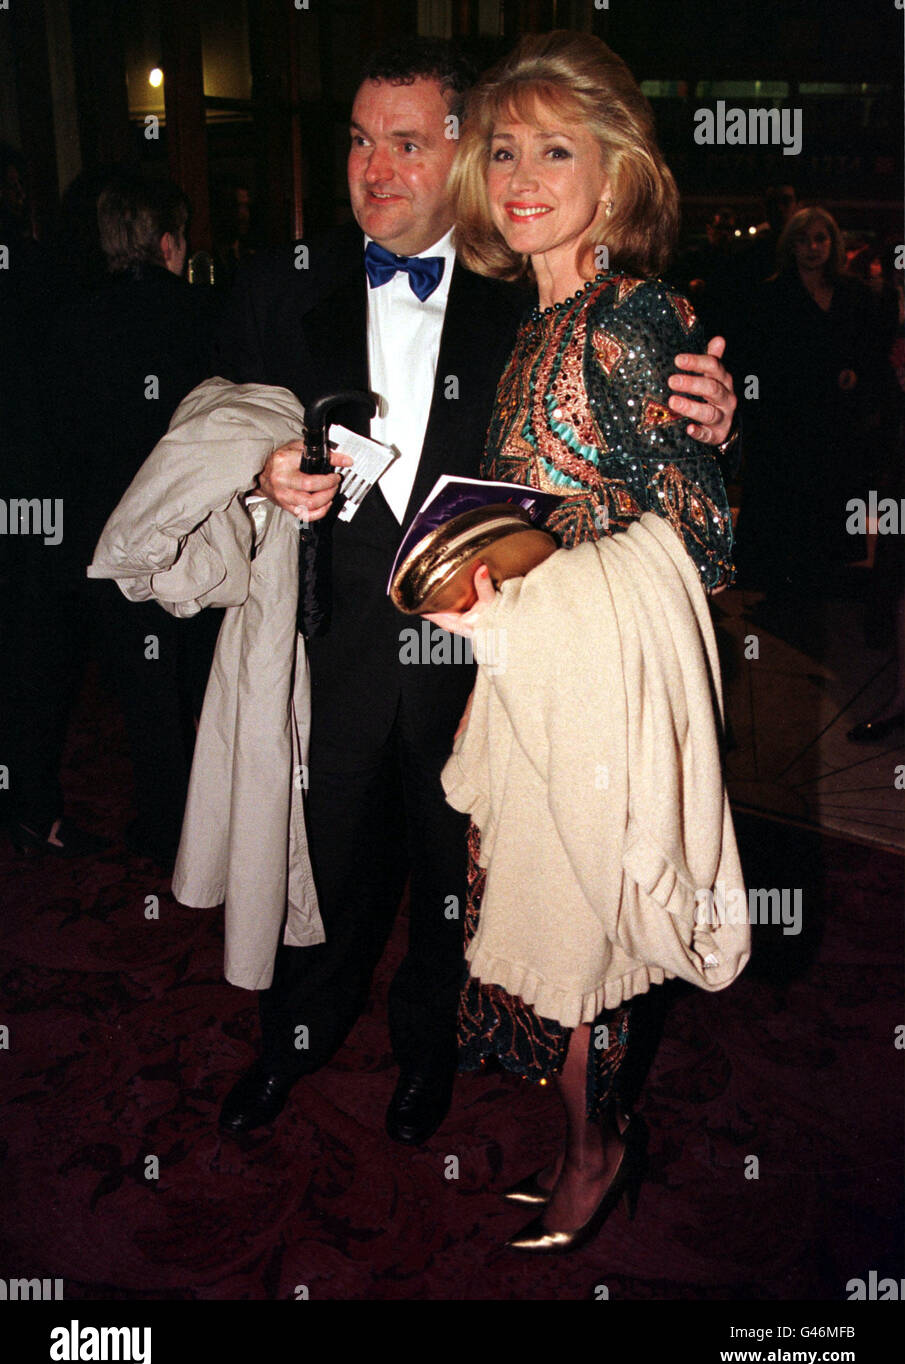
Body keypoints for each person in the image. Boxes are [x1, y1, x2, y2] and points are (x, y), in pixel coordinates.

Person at [188, 38, 739, 1147]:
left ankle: (424, 1056)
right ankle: (290, 1042)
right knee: (319, 865)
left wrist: (713, 414)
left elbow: (633, 445)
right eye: (357, 140)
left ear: (459, 163)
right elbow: (209, 413)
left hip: (488, 669)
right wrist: (255, 467)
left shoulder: (530, 283)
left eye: (408, 141)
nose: (374, 167)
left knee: (454, 880)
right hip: (330, 643)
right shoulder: (278, 283)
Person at [427, 30, 747, 1250]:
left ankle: (596, 1153)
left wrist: (713, 440)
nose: (519, 172)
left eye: (555, 148)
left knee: (593, 940)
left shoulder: (628, 315)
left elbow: (702, 543)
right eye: (503, 147)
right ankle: (586, 1141)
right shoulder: (531, 328)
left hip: (593, 685)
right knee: (553, 927)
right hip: (531, 678)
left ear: (612, 179)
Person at [6, 172, 217, 862]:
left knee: (124, 694)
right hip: (188, 530)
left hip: (97, 537)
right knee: (194, 685)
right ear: (166, 242)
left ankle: (153, 831)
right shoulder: (209, 314)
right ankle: (201, 830)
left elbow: (47, 442)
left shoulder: (65, 324)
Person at [734, 206, 891, 595]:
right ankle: (782, 580)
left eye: (820, 239)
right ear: (791, 246)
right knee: (787, 498)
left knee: (832, 494)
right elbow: (754, 357)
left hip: (836, 416)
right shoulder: (772, 293)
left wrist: (855, 371)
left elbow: (869, 348)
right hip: (786, 416)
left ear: (833, 243)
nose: (812, 248)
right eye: (803, 240)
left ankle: (823, 574)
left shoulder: (852, 292)